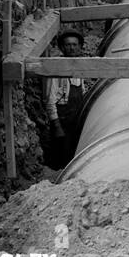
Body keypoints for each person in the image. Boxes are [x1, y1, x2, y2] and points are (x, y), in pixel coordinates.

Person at [46, 30, 87, 166]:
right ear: (62, 48)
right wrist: (56, 126)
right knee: (61, 154)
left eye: (75, 45)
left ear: (80, 47)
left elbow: (82, 91)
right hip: (62, 120)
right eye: (68, 45)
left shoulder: (81, 67)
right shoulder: (57, 69)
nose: (72, 48)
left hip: (76, 119)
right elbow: (50, 100)